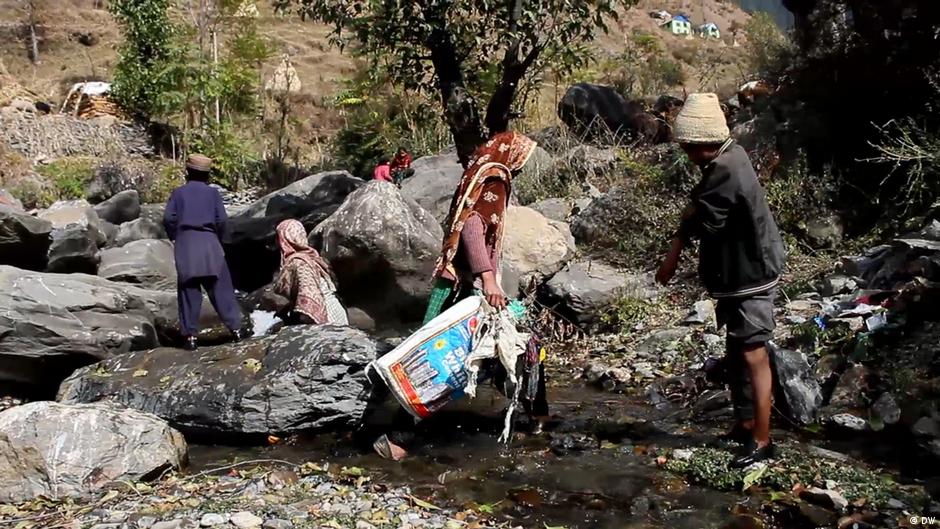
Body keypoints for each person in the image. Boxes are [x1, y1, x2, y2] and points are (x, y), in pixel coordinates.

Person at [370, 131, 548, 461]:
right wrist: (488, 279)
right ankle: (397, 439)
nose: (522, 166)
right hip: (470, 288)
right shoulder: (495, 176)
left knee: (451, 360)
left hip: (453, 282)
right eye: (522, 159)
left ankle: (538, 417)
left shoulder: (477, 171)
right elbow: (471, 226)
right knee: (459, 363)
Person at [655, 93, 785, 468]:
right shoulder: (730, 156)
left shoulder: (725, 171)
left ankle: (762, 439)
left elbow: (702, 220)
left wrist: (673, 255)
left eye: (689, 148)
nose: (687, 155)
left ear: (700, 144)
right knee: (736, 348)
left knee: (753, 352)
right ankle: (745, 421)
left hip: (751, 271)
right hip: (737, 271)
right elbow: (698, 209)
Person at [164, 154, 246, 351]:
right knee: (221, 289)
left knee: (188, 291)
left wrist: (175, 235)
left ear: (187, 172)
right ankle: (236, 330)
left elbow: (168, 218)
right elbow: (222, 221)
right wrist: (222, 240)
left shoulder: (178, 193)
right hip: (210, 243)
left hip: (186, 244)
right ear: (208, 175)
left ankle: (190, 337)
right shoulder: (213, 194)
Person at [273, 219, 348, 326]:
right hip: (334, 312)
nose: (276, 241)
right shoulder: (311, 257)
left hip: (327, 319)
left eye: (278, 236)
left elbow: (309, 293)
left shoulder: (299, 263)